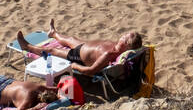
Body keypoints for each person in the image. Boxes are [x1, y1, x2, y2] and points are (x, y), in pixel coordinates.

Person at [16, 22, 144, 77]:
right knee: (70, 38)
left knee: (51, 51)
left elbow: (90, 71)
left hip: (77, 55)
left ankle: (27, 46)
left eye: (124, 38)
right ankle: (53, 33)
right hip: (85, 45)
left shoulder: (109, 55)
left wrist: (74, 66)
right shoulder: (116, 46)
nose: (122, 36)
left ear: (126, 46)